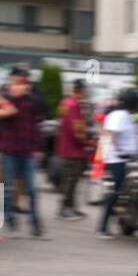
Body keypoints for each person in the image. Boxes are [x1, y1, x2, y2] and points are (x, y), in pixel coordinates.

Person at [0, 66, 47, 237]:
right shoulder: (5, 94)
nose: (22, 80)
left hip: (27, 149)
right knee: (8, 188)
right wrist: (14, 93)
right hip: (9, 148)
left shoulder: (32, 97)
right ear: (12, 77)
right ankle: (12, 223)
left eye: (24, 77)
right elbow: (2, 110)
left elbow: (40, 117)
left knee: (31, 189)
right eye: (18, 76)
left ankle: (36, 225)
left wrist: (38, 147)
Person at [98, 87, 138, 238]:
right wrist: (119, 150)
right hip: (117, 160)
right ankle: (102, 228)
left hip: (127, 159)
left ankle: (127, 222)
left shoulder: (128, 115)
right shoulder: (119, 115)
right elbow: (111, 133)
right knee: (115, 194)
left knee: (129, 193)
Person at [54, 78, 91, 218]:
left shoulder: (65, 102)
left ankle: (71, 207)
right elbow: (78, 131)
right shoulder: (74, 106)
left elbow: (61, 123)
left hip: (65, 147)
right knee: (70, 180)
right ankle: (65, 208)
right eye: (85, 89)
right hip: (73, 150)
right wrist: (88, 142)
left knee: (70, 180)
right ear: (81, 90)